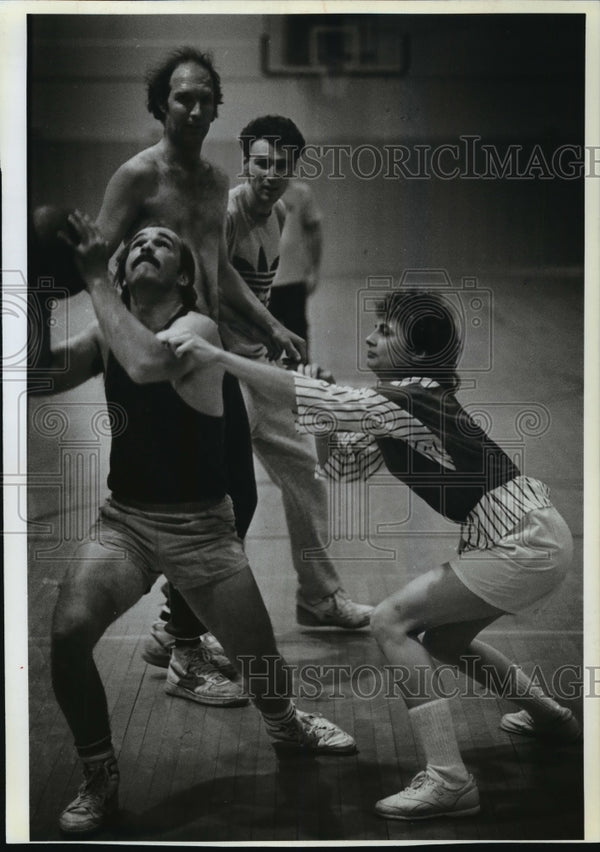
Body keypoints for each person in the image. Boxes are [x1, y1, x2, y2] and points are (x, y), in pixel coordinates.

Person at [158, 285, 580, 822]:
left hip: (521, 541)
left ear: (420, 350)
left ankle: (451, 780)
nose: (369, 337)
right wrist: (323, 408)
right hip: (529, 536)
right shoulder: (404, 402)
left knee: (390, 622)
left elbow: (341, 407)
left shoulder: (412, 397)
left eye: (385, 331)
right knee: (446, 640)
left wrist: (222, 358)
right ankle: (550, 717)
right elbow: (341, 467)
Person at [46, 214, 356, 837]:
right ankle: (100, 774)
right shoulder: (109, 331)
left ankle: (285, 723)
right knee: (67, 636)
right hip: (126, 523)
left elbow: (147, 365)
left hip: (202, 530)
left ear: (185, 276)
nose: (147, 247)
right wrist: (34, 293)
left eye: (162, 243)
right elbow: (36, 377)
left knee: (264, 673)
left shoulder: (197, 327)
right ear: (123, 270)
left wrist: (91, 277)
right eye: (137, 243)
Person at [94, 47, 307, 705]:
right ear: (163, 105)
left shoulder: (216, 182)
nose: (192, 107)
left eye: (203, 98)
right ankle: (183, 650)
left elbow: (217, 275)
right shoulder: (136, 177)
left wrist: (271, 327)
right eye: (181, 97)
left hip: (208, 363)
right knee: (179, 509)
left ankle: (176, 631)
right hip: (155, 368)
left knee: (233, 500)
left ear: (216, 107)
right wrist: (130, 340)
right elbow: (98, 264)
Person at [218, 114, 373, 628]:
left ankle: (318, 598)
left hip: (257, 369)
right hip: (219, 373)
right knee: (226, 498)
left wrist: (283, 356)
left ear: (293, 170)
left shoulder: (280, 213)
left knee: (305, 477)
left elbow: (255, 297)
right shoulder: (228, 211)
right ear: (246, 164)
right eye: (261, 163)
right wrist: (273, 330)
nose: (270, 173)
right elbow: (217, 286)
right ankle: (183, 624)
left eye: (281, 165)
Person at [268, 179, 323, 353]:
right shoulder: (258, 191)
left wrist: (314, 270)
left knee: (298, 338)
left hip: (294, 279)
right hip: (265, 282)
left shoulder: (301, 193)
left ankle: (302, 377)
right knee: (266, 341)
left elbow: (315, 232)